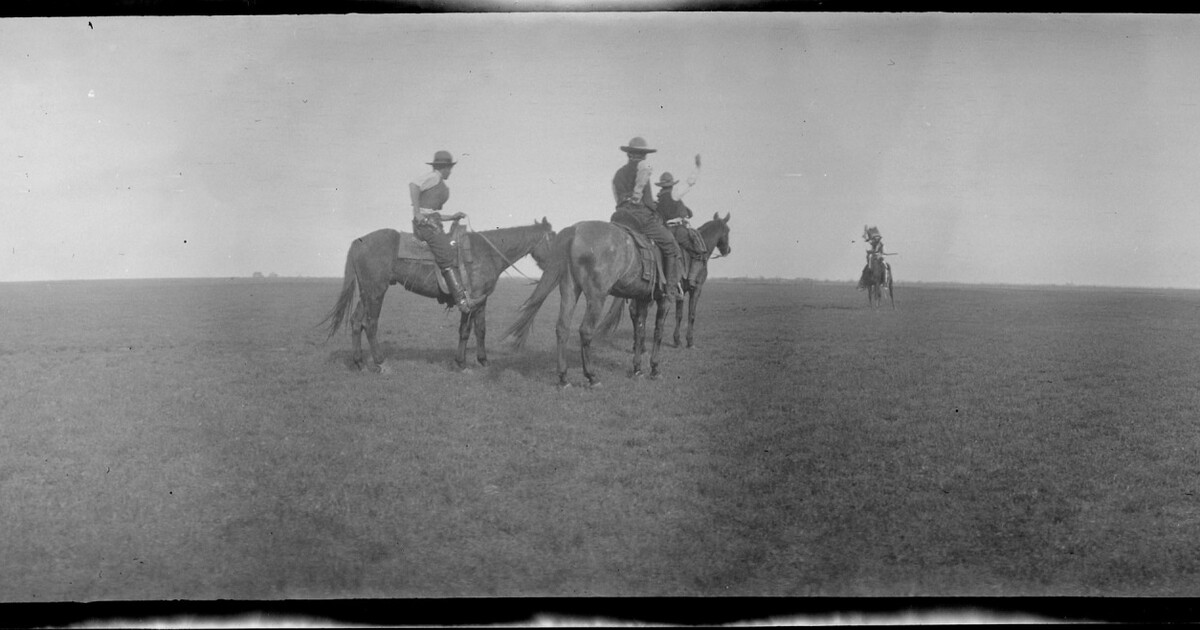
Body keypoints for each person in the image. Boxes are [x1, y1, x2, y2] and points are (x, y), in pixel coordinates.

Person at [610, 136, 683, 301]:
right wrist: (641, 201)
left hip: (620, 216)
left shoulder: (619, 173)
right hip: (641, 217)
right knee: (671, 244)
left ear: (629, 154)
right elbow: (641, 187)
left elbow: (617, 196)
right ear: (643, 155)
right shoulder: (644, 168)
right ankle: (670, 289)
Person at [410, 150, 474, 313]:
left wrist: (452, 217)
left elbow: (433, 214)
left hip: (431, 222)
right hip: (425, 225)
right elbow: (414, 185)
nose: (451, 172)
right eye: (449, 168)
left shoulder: (438, 181)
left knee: (449, 248)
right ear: (444, 168)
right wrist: (416, 213)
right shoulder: (434, 177)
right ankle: (460, 300)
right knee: (446, 253)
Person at [653, 154, 705, 291]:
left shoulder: (658, 200)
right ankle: (691, 280)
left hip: (664, 232)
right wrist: (697, 167)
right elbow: (689, 182)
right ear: (672, 184)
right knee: (698, 251)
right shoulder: (674, 194)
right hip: (678, 231)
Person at [857, 225, 889, 290]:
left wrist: (881, 255)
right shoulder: (873, 244)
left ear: (879, 238)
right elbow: (867, 240)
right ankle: (862, 284)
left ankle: (885, 283)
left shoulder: (882, 245)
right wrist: (865, 232)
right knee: (865, 269)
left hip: (880, 260)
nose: (876, 239)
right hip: (873, 260)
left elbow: (884, 254)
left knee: (885, 267)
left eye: (877, 238)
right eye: (875, 238)